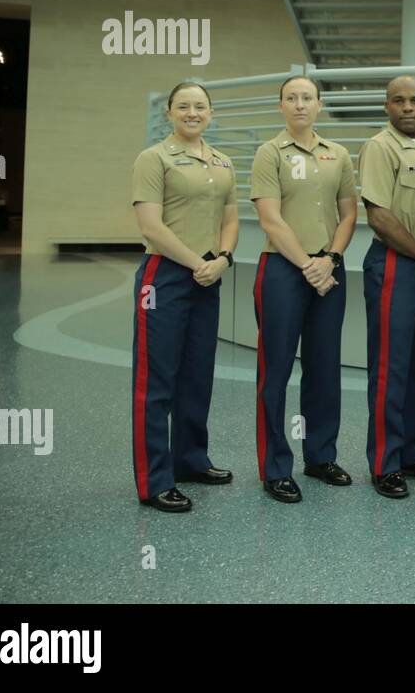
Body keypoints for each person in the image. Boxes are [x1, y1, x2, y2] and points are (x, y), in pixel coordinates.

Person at [130, 81, 238, 512]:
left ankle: (191, 460)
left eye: (200, 107)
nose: (192, 113)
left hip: (209, 274)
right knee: (156, 381)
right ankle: (154, 481)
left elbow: (230, 217)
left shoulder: (221, 161)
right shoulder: (153, 159)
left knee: (197, 376)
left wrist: (225, 258)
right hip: (167, 275)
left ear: (210, 113)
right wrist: (198, 262)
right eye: (183, 106)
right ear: (170, 113)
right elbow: (150, 226)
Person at [250, 75, 358, 503]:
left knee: (324, 366)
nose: (299, 105)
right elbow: (270, 219)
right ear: (281, 106)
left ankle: (320, 456)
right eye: (291, 98)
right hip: (282, 270)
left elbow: (348, 214)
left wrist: (329, 260)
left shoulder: (339, 155)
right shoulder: (268, 153)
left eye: (307, 98)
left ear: (319, 104)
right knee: (275, 370)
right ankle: (276, 467)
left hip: (329, 269)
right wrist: (307, 265)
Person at [358, 75, 415, 499]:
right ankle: (385, 462)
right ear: (386, 106)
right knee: (390, 367)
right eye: (399, 100)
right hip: (397, 263)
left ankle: (412, 451)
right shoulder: (380, 147)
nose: (408, 107)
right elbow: (379, 216)